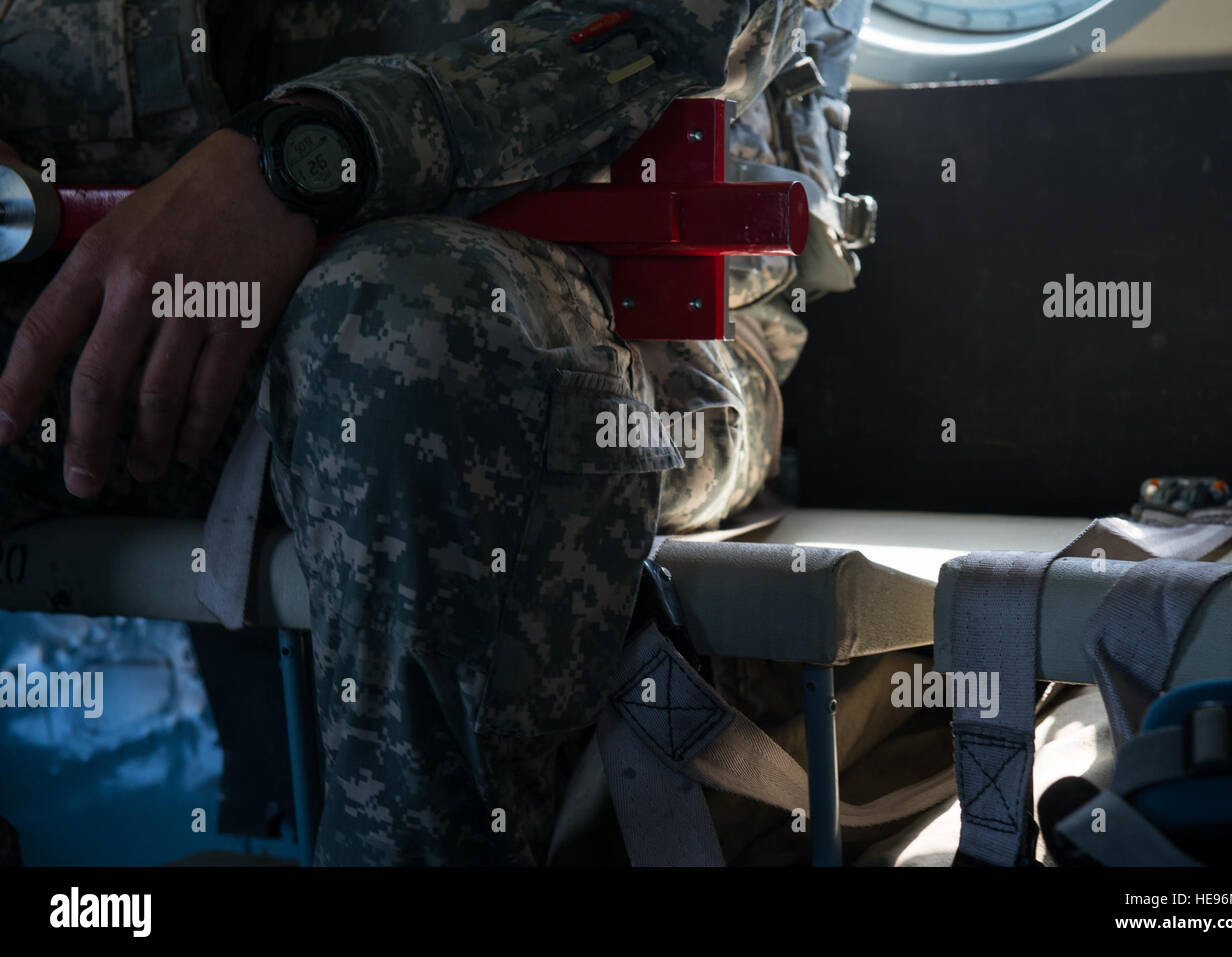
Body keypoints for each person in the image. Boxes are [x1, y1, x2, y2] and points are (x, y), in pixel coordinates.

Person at [0, 0, 873, 864]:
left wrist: (315, 154)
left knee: (404, 326)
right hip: (119, 327)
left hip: (619, 313)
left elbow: (681, 23)